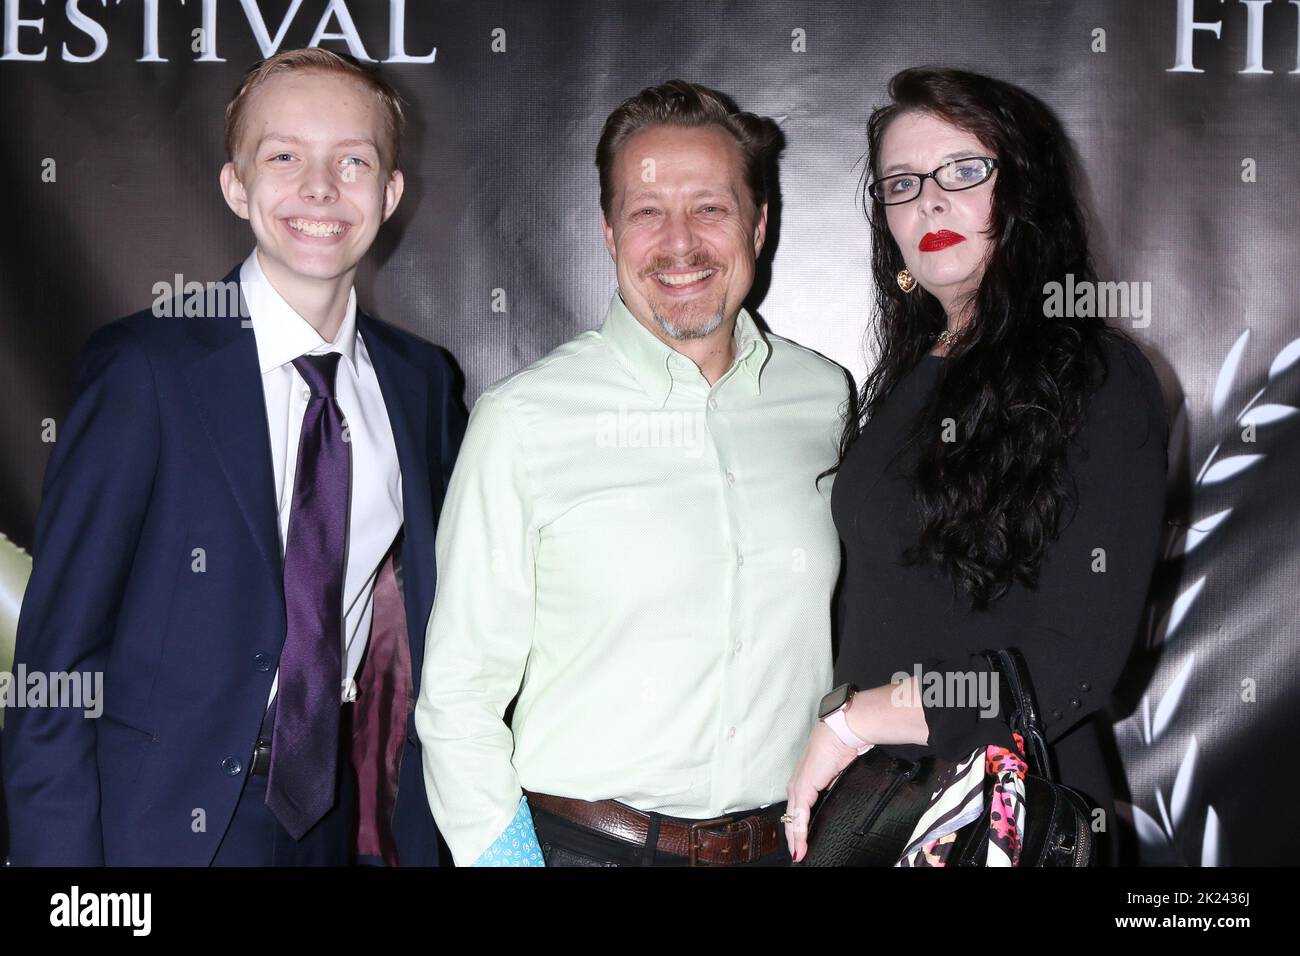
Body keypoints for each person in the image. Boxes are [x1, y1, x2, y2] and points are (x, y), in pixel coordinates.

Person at [2, 48, 465, 866]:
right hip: (152, 831)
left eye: (352, 160)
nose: (320, 187)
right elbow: (56, 669)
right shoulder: (146, 370)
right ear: (236, 186)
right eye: (284, 156)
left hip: (330, 823)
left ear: (390, 194)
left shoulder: (420, 383)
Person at [416, 80, 850, 867]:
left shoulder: (821, 398)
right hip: (585, 849)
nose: (680, 244)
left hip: (783, 847)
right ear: (611, 234)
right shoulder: (524, 420)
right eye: (647, 212)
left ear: (759, 224)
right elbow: (458, 692)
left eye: (710, 209)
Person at [785, 66, 1168, 866]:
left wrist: (857, 720)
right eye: (901, 182)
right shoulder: (904, 381)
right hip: (882, 813)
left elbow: (1076, 664)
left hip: (1008, 820)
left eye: (964, 171)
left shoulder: (1097, 376)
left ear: (1022, 192)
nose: (929, 201)